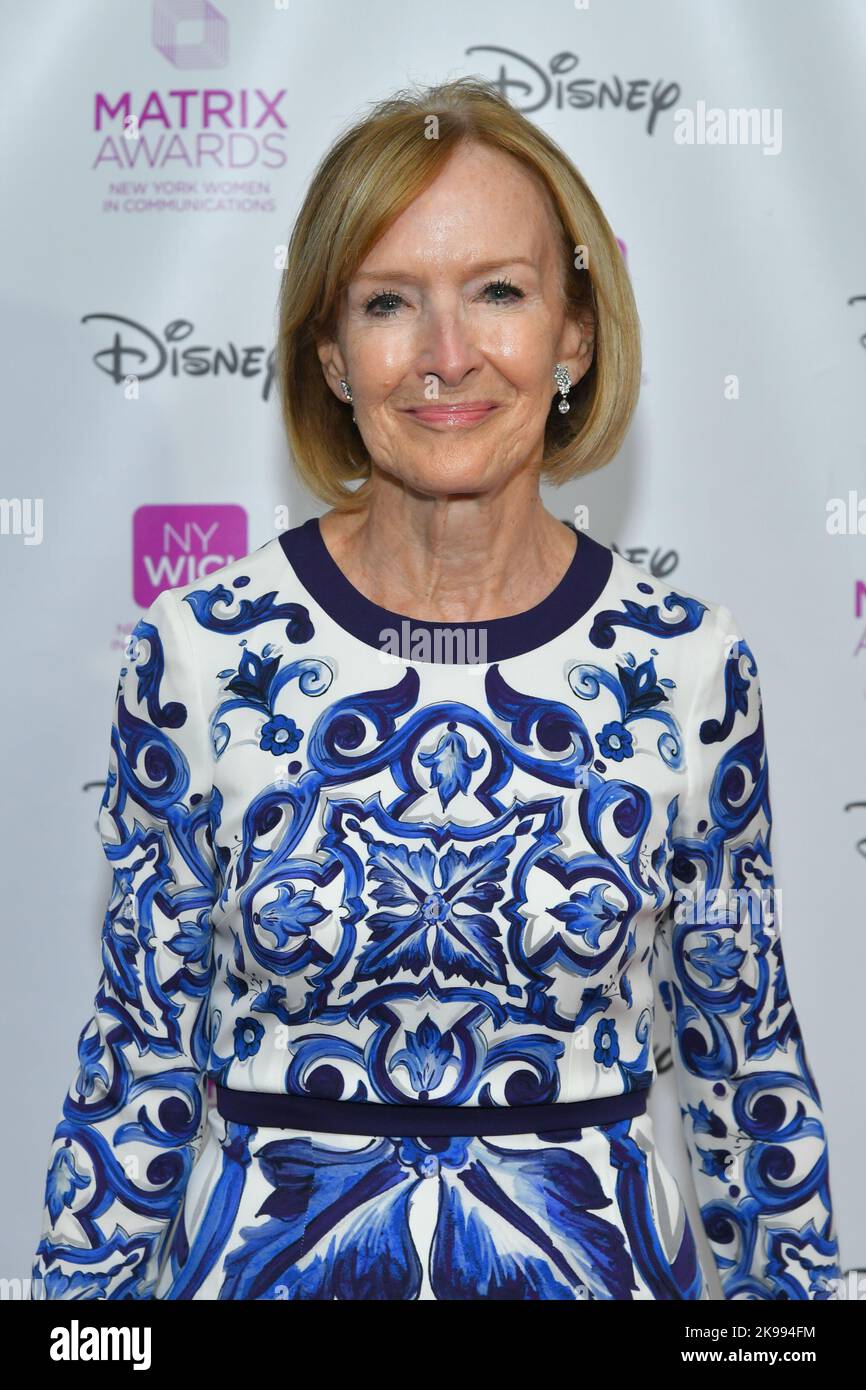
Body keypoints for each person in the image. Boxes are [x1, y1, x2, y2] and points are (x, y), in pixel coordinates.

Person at [31, 76, 839, 1301]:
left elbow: (744, 1081)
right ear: (330, 354)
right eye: (389, 303)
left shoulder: (683, 666)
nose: (446, 356)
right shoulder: (195, 653)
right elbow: (137, 1071)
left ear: (574, 334)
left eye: (498, 293)